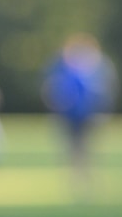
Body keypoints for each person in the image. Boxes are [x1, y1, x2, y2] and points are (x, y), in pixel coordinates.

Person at [42, 34, 117, 193]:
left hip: (89, 115)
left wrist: (102, 110)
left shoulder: (98, 67)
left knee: (87, 147)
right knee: (72, 148)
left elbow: (106, 91)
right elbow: (50, 89)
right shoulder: (60, 67)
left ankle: (86, 177)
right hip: (68, 115)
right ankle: (76, 178)